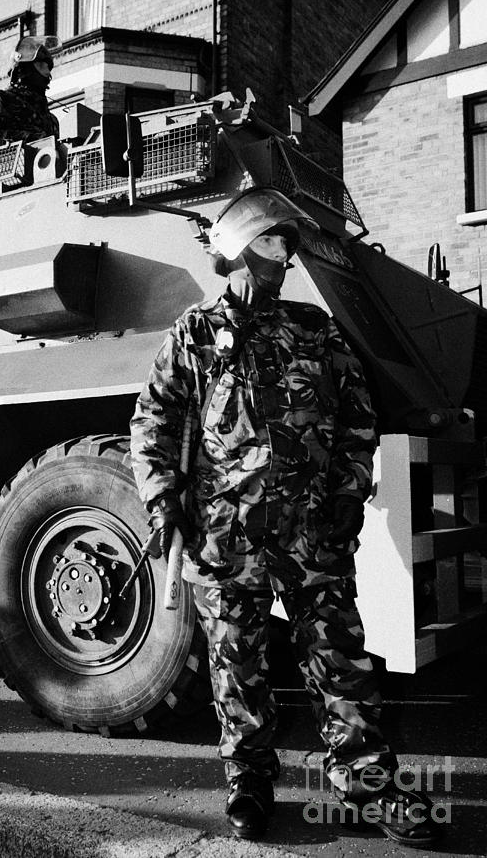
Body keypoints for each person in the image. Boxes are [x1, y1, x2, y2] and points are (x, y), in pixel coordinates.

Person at [130, 187, 440, 846]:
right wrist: (163, 503)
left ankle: (366, 780)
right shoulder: (195, 334)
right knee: (237, 668)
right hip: (227, 537)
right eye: (275, 241)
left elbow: (358, 414)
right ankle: (249, 782)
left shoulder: (315, 328)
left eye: (289, 243)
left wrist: (349, 492)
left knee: (342, 663)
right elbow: (154, 420)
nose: (287, 255)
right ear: (241, 248)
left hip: (312, 535)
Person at [0, 36, 60, 149]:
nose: (47, 73)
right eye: (41, 66)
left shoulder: (52, 121)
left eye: (48, 68)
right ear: (25, 69)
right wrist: (41, 141)